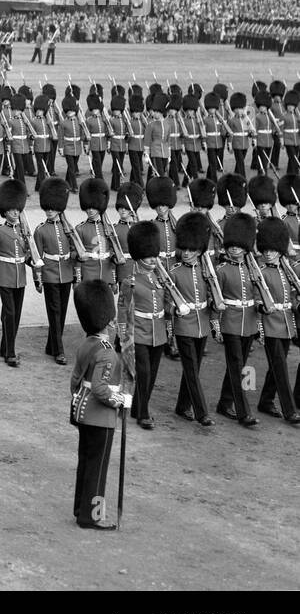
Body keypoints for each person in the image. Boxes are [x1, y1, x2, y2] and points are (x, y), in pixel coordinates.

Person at [70, 280, 130, 531]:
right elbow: (100, 389)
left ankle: (80, 508)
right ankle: (92, 516)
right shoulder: (106, 351)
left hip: (82, 411)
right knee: (98, 467)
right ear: (107, 320)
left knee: (85, 462)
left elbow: (76, 380)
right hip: (100, 415)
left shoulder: (88, 343)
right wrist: (121, 401)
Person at [166, 212, 215, 426]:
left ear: (200, 250)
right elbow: (167, 301)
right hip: (184, 325)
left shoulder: (207, 270)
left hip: (202, 323)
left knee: (193, 368)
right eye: (184, 249)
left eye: (191, 250)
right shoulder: (174, 272)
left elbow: (213, 296)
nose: (186, 253)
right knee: (192, 370)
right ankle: (201, 412)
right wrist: (175, 311)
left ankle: (182, 406)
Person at [119, 221, 167, 429]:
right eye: (148, 256)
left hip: (158, 332)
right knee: (144, 372)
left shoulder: (160, 276)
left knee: (152, 374)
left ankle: (139, 406)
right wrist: (122, 335)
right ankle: (144, 414)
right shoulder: (130, 280)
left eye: (153, 255)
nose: (152, 259)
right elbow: (122, 309)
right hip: (138, 332)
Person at [215, 213, 260, 427]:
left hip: (249, 321)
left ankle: (225, 403)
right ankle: (244, 412)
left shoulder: (253, 270)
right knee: (237, 364)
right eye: (231, 245)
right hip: (231, 322)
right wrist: (216, 324)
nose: (233, 248)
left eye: (238, 245)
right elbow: (215, 299)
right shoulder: (221, 271)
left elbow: (260, 295)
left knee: (244, 366)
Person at [254, 216, 300, 424]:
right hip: (271, 324)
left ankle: (265, 400)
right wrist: (263, 306)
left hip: (287, 323)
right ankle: (289, 410)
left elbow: (291, 296)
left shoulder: (287, 271)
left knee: (276, 365)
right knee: (280, 367)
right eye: (266, 251)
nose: (268, 253)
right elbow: (256, 298)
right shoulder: (260, 273)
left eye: (272, 250)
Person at [0, 178, 36, 367]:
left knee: (15, 314)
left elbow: (26, 255)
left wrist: (35, 262)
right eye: (11, 210)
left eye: (17, 209)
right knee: (10, 313)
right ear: (4, 211)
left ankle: (4, 346)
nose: (15, 212)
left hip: (20, 277)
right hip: (5, 276)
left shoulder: (24, 231)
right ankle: (10, 352)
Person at [34, 177, 76, 365]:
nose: (49, 211)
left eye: (52, 208)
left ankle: (51, 345)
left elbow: (75, 249)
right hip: (50, 274)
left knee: (62, 312)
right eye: (47, 208)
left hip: (66, 273)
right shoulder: (41, 230)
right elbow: (35, 257)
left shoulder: (68, 228)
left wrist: (77, 257)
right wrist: (38, 278)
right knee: (55, 312)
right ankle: (58, 351)